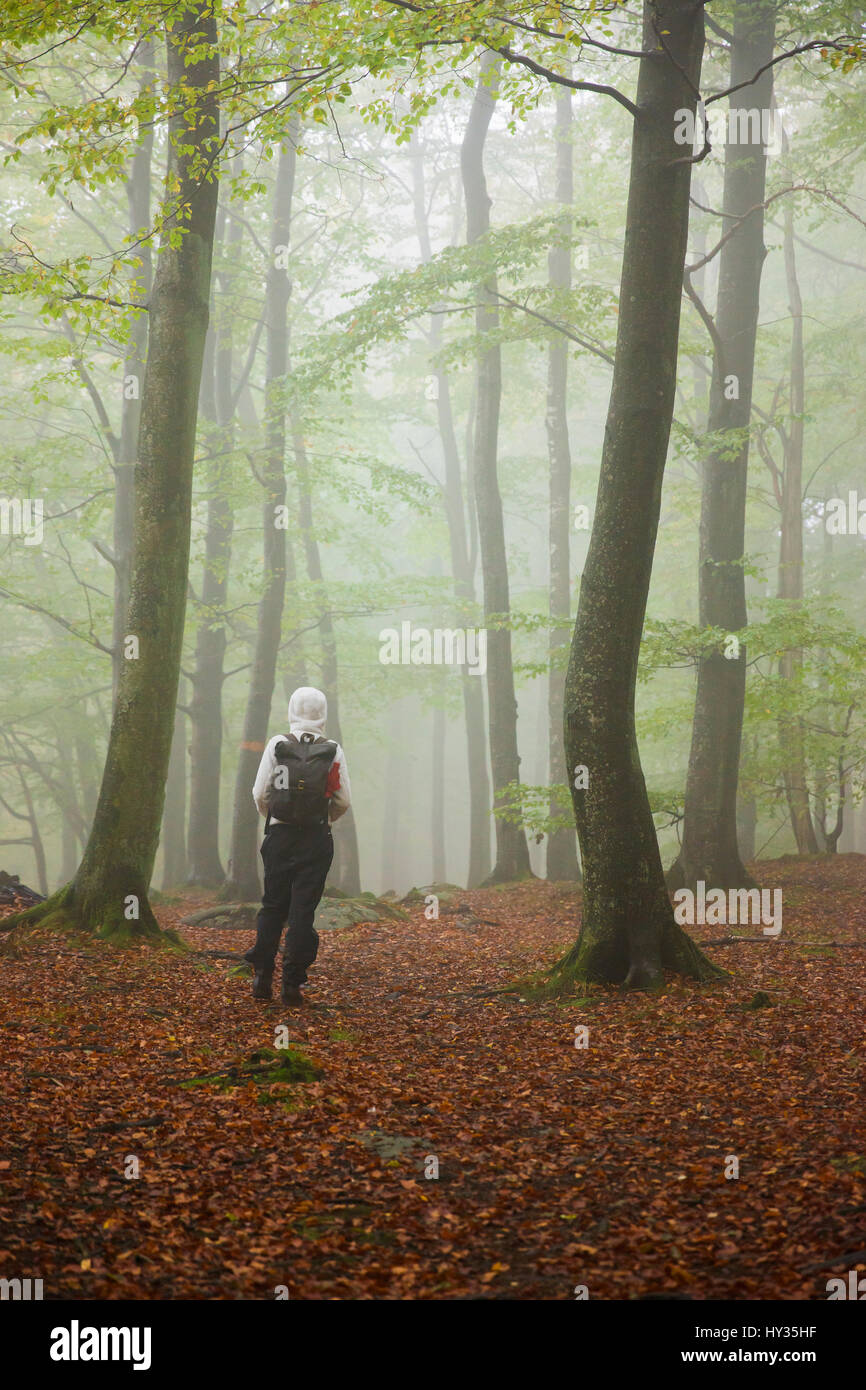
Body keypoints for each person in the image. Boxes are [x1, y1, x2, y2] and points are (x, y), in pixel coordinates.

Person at [244, 686, 351, 1006]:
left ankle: (262, 978)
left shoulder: (278, 745)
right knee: (303, 910)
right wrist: (323, 819)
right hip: (316, 839)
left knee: (273, 906)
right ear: (323, 713)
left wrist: (276, 818)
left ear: (292, 710)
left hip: (280, 837)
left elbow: (260, 793)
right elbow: (343, 799)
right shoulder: (332, 750)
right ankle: (292, 984)